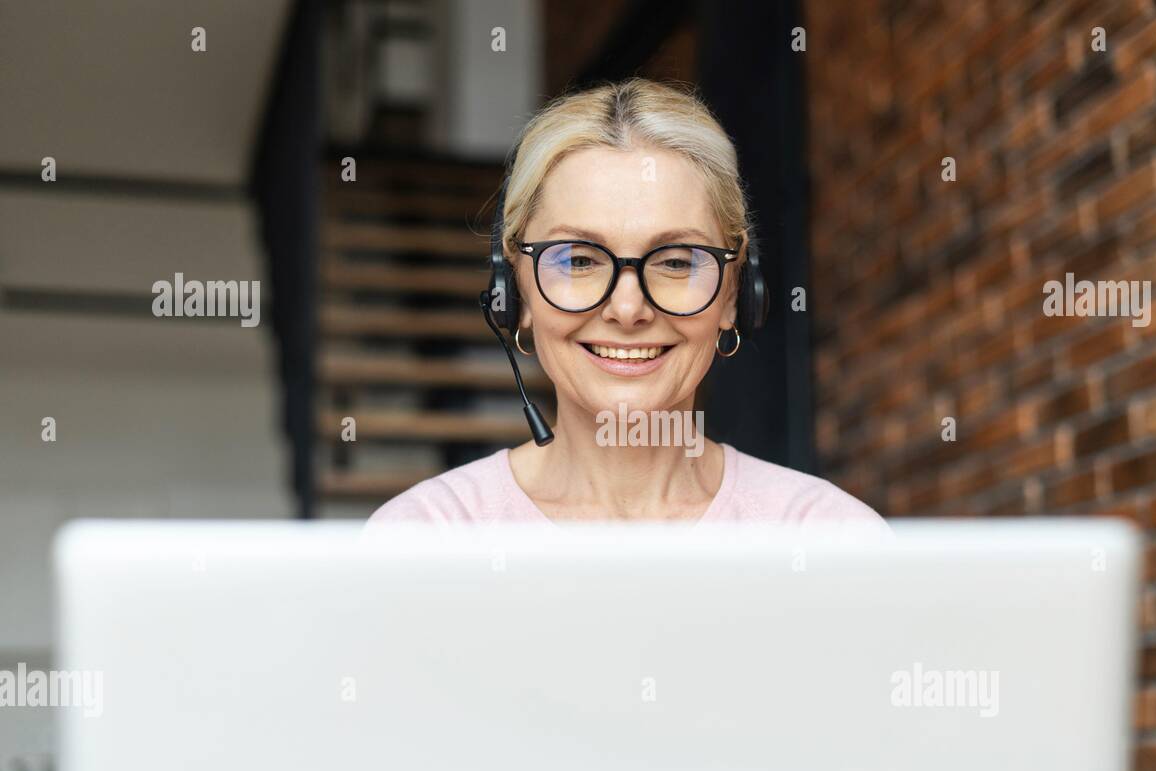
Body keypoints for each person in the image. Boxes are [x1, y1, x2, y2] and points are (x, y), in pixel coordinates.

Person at [369, 79, 885, 528]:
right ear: (515, 291)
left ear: (733, 292)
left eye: (676, 262)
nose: (628, 308)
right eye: (578, 260)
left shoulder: (828, 537)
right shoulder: (427, 536)